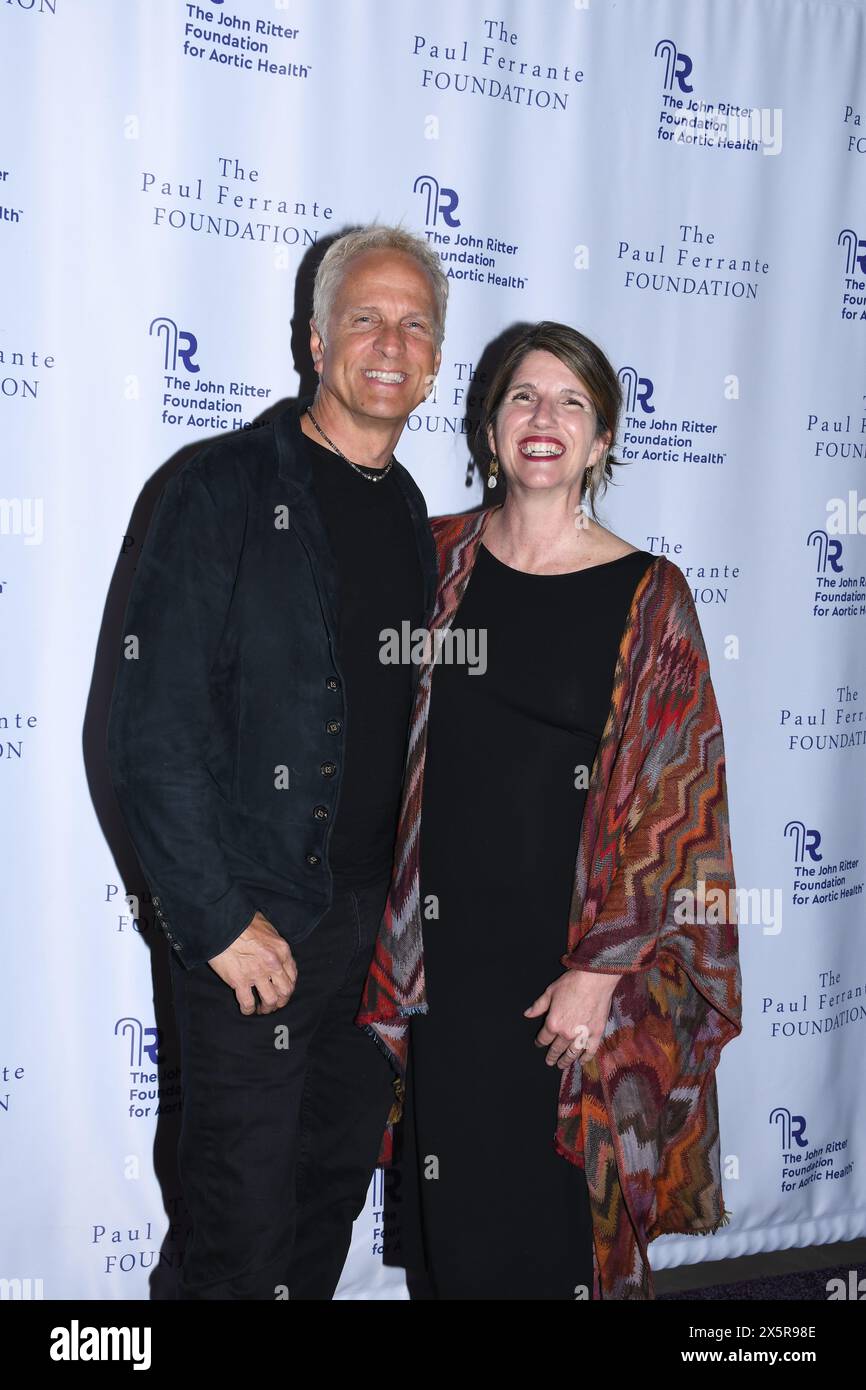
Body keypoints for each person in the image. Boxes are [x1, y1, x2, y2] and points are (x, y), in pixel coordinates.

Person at [357, 321, 743, 1300]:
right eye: (522, 398)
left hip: (566, 966)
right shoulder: (432, 559)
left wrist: (602, 967)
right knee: (455, 1232)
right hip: (444, 959)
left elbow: (677, 805)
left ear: (602, 438)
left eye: (570, 401)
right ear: (489, 429)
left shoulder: (648, 595)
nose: (544, 419)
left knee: (552, 1229)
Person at [106, 223, 448, 1299]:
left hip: (363, 943)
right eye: (364, 319)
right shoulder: (216, 488)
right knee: (233, 1235)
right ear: (314, 341)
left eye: (413, 325)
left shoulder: (407, 511)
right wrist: (211, 920)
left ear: (435, 358)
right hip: (253, 927)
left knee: (322, 1210)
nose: (389, 344)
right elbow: (141, 731)